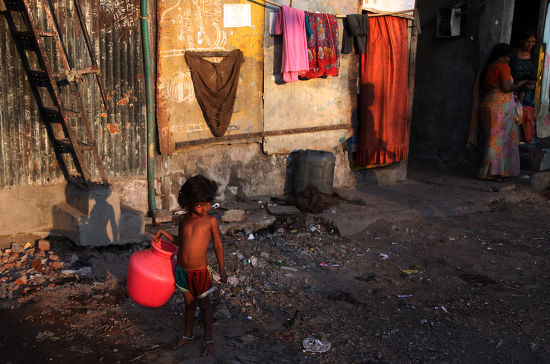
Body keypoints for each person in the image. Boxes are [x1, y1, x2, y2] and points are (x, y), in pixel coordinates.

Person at [153, 175, 227, 357]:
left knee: (205, 306)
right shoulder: (184, 220)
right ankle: (187, 335)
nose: (205, 208)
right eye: (200, 204)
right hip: (182, 271)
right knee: (188, 304)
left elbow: (217, 245)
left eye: (208, 204)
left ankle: (208, 340)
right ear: (189, 201)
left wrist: (222, 269)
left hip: (199, 273)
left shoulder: (210, 221)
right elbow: (181, 242)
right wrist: (164, 233)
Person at [468, 43, 523, 181]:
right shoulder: (502, 67)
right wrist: (518, 86)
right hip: (499, 108)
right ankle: (490, 172)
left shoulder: (487, 68)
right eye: (508, 57)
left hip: (488, 104)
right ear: (501, 56)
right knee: (498, 140)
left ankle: (488, 171)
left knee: (491, 140)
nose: (509, 60)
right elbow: (506, 87)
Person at [510, 30, 538, 142]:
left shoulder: (534, 55)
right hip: (513, 87)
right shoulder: (513, 54)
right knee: (514, 114)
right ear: (521, 41)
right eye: (528, 41)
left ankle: (524, 137)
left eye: (533, 42)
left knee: (526, 114)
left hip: (528, 90)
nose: (530, 44)